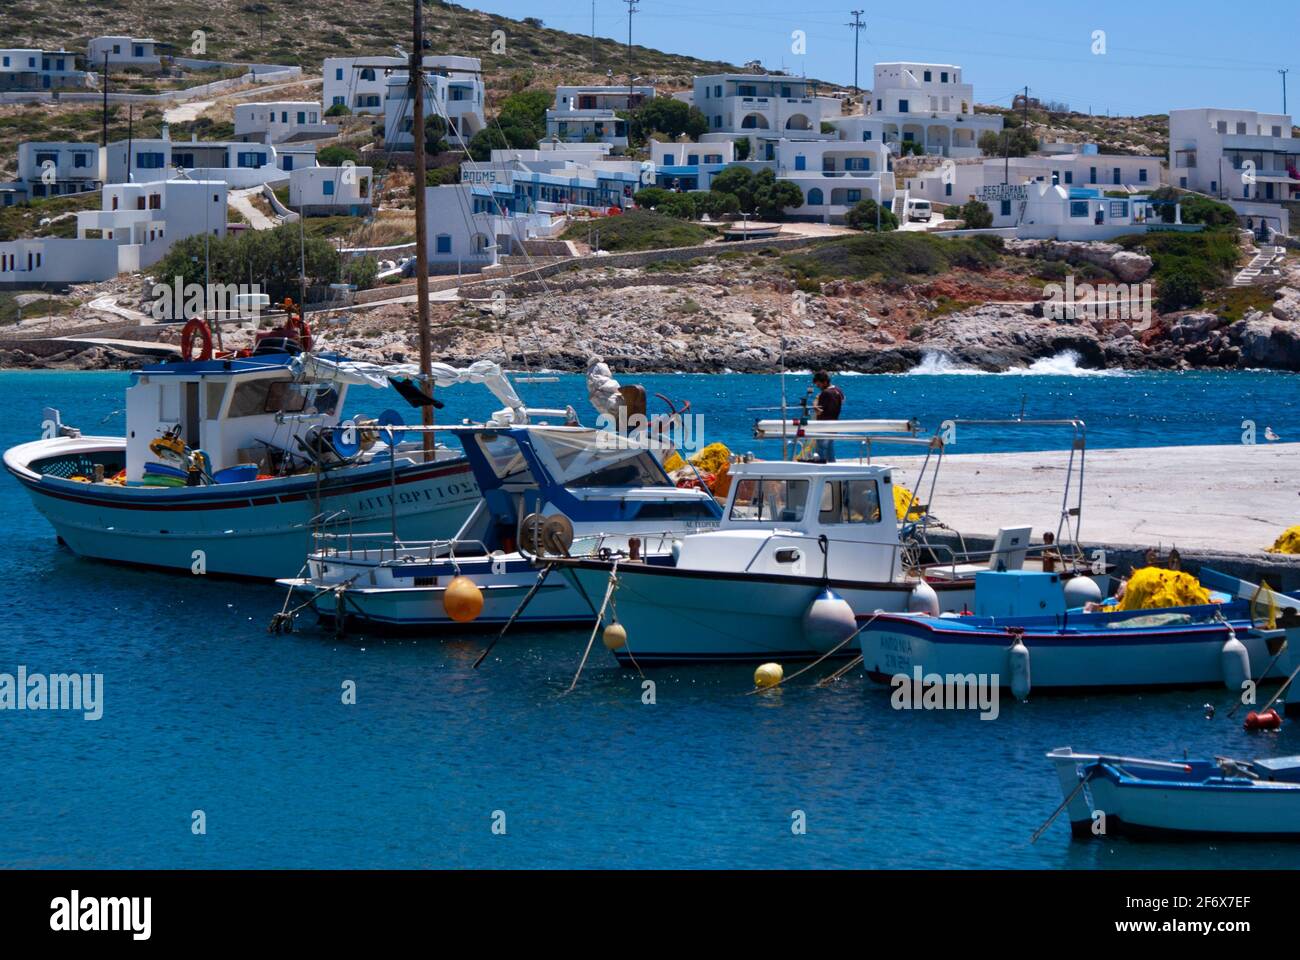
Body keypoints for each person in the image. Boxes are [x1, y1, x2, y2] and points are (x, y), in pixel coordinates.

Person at [811, 371, 843, 463]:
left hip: (823, 426)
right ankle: (832, 468)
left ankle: (821, 469)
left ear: (825, 382)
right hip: (834, 425)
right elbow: (842, 400)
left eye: (819, 385)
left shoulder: (825, 393)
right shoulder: (838, 390)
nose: (818, 387)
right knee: (830, 450)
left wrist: (815, 401)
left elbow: (819, 411)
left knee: (821, 450)